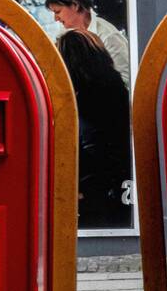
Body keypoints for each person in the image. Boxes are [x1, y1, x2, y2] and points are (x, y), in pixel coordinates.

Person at [56, 28, 133, 228]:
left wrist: (82, 189)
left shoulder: (82, 99)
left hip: (93, 195)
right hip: (117, 189)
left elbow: (93, 148)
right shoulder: (114, 87)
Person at [45, 0, 131, 89]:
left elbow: (126, 81)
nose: (56, 18)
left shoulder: (108, 36)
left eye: (58, 12)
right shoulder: (62, 35)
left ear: (75, 5)